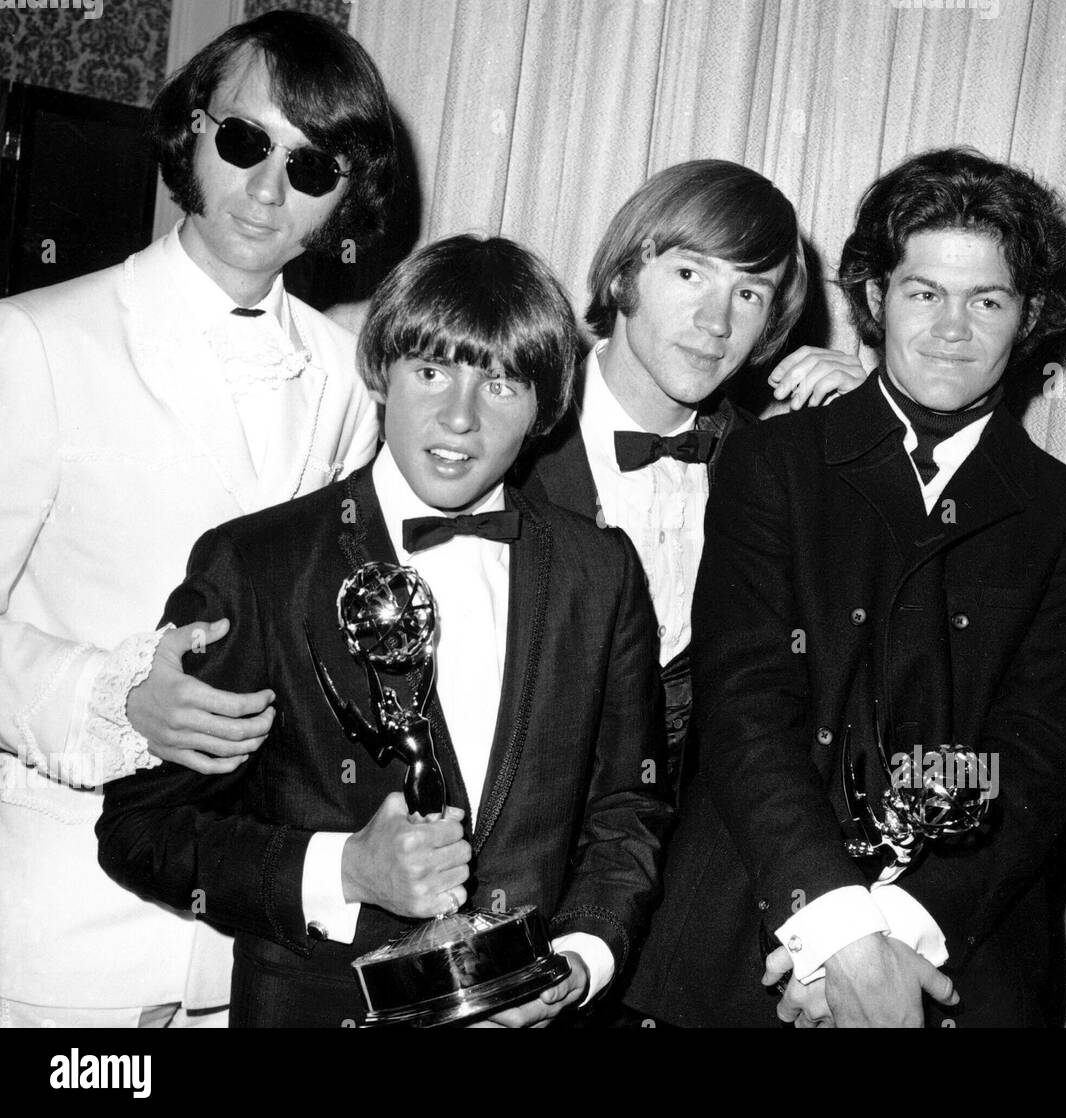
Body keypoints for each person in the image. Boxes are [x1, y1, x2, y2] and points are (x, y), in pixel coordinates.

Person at [96, 235, 673, 1028]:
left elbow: (627, 810)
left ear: (547, 408)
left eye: (501, 384)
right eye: (431, 372)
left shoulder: (599, 571)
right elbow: (140, 829)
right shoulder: (260, 563)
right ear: (381, 373)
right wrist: (344, 870)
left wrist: (580, 960)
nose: (459, 417)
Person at [626, 147, 1066, 1028]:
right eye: (924, 292)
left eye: (988, 300)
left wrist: (902, 928)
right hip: (742, 948)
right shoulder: (772, 464)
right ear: (877, 298)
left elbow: (1037, 754)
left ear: (1030, 316)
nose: (951, 328)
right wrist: (841, 931)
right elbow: (747, 707)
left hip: (954, 958)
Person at [0, 11, 398, 1027]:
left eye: (312, 167)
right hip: (63, 919)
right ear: (190, 135)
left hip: (254, 934)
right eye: (245, 141)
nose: (269, 190)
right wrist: (117, 696)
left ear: (348, 195)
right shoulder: (37, 341)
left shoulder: (352, 385)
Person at [514, 159, 858, 805]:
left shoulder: (774, 469)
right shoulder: (512, 427)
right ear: (623, 276)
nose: (717, 321)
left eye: (750, 293)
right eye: (690, 273)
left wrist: (880, 434)